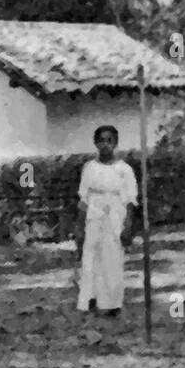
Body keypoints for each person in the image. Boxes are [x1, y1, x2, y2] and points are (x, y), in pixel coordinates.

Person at [76, 125, 138, 317]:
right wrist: (79, 227)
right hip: (94, 214)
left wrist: (128, 226)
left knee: (112, 258)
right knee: (91, 257)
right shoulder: (90, 168)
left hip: (115, 215)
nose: (105, 145)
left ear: (115, 143)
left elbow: (130, 201)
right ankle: (91, 299)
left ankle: (112, 303)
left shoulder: (124, 170)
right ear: (95, 143)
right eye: (101, 140)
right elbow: (83, 199)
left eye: (109, 141)